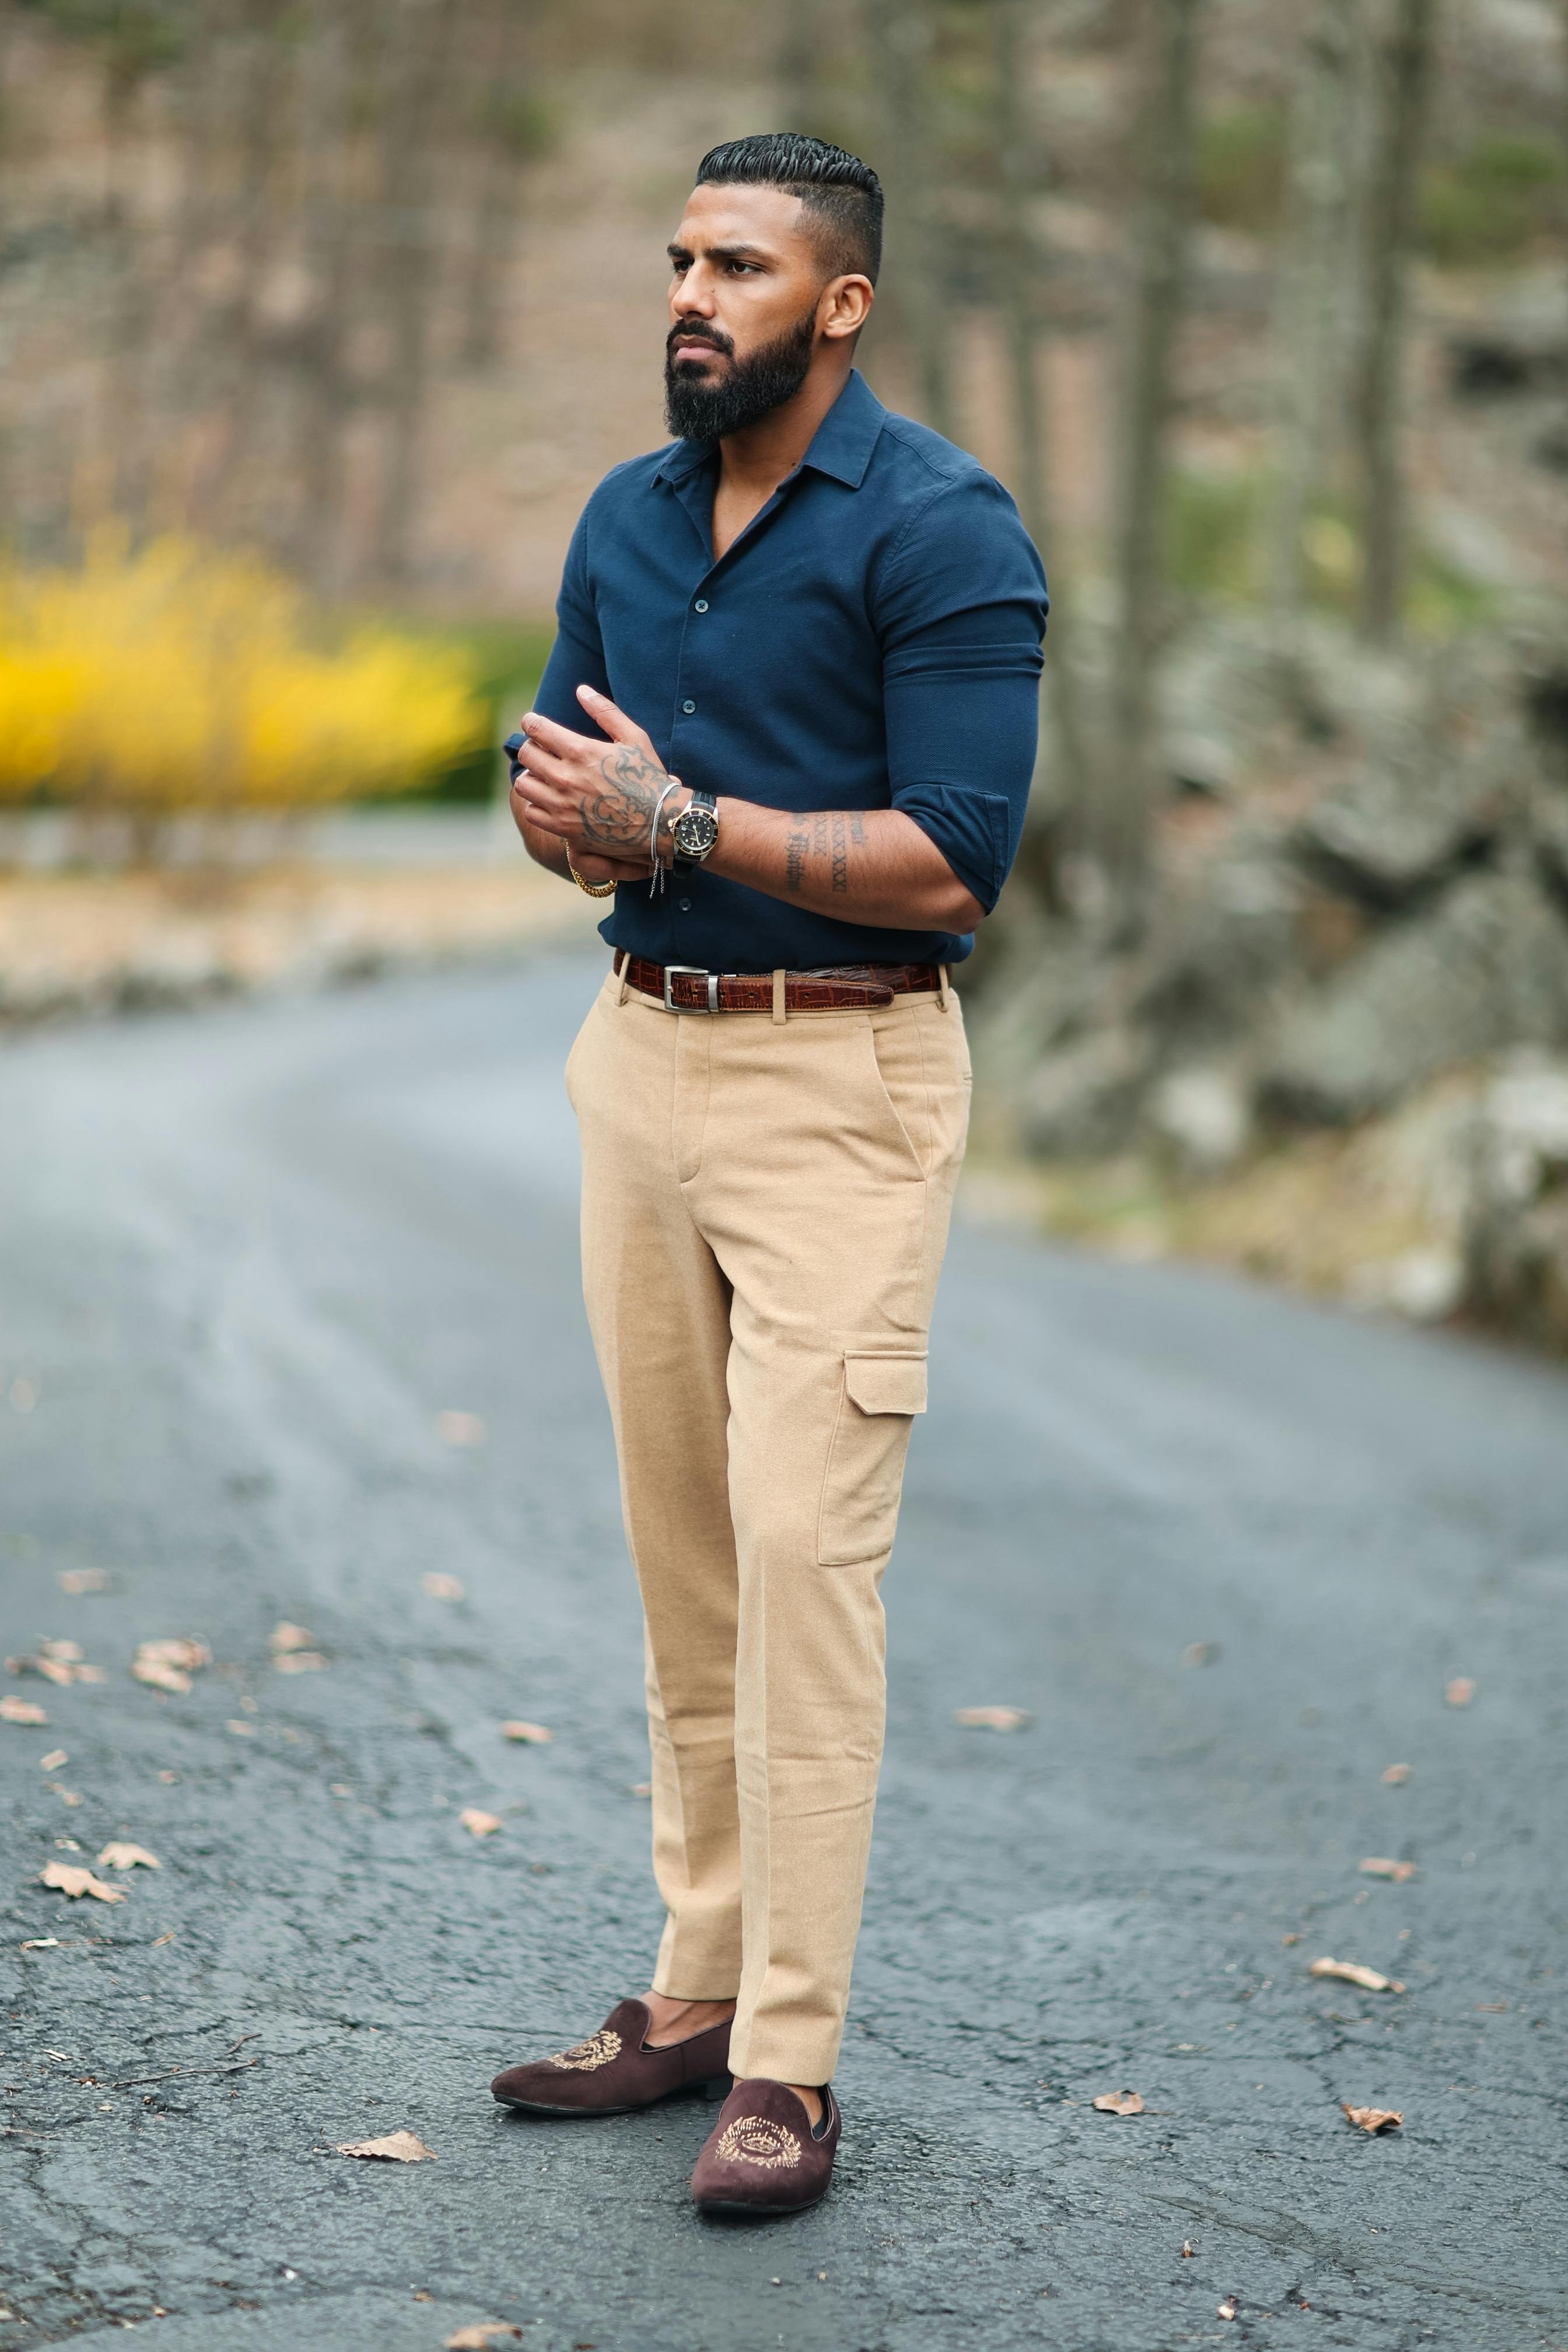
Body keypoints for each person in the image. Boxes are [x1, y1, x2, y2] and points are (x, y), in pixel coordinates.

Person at [490, 131, 1046, 2218]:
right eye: (679, 257)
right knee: (688, 1572)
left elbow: (958, 848)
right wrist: (572, 821)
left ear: (842, 303)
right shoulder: (629, 519)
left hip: (845, 1089)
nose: (690, 295)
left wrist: (682, 822)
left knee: (809, 1575)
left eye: (738, 264)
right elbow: (569, 780)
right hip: (640, 1065)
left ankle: (791, 2067)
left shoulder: (943, 526)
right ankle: (692, 1993)